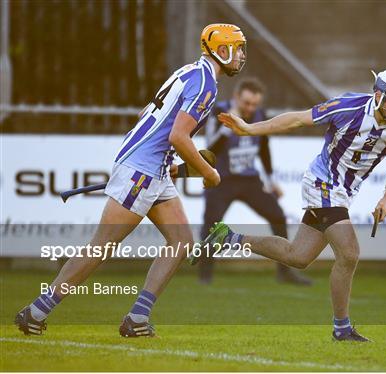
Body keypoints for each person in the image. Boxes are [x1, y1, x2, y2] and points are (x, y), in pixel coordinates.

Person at [14, 24, 247, 337]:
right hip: (142, 169)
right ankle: (36, 311)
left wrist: (166, 164)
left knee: (181, 243)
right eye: (238, 47)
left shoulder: (189, 71)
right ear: (222, 50)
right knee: (102, 247)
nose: (242, 55)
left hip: (152, 166)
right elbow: (179, 136)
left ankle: (137, 318)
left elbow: (146, 115)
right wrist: (209, 173)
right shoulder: (207, 84)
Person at [196, 69, 386, 342]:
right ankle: (342, 328)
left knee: (298, 257)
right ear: (378, 95)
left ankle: (229, 237)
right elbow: (297, 120)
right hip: (322, 182)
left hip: (345, 191)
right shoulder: (347, 106)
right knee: (349, 253)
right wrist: (249, 128)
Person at [195, 77, 312, 286]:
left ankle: (285, 272)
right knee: (211, 225)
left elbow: (264, 149)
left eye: (254, 104)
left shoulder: (259, 115)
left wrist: (271, 180)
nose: (250, 108)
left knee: (277, 216)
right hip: (221, 180)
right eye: (246, 103)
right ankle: (205, 276)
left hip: (250, 181)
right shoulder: (218, 113)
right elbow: (210, 150)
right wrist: (229, 125)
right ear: (235, 98)